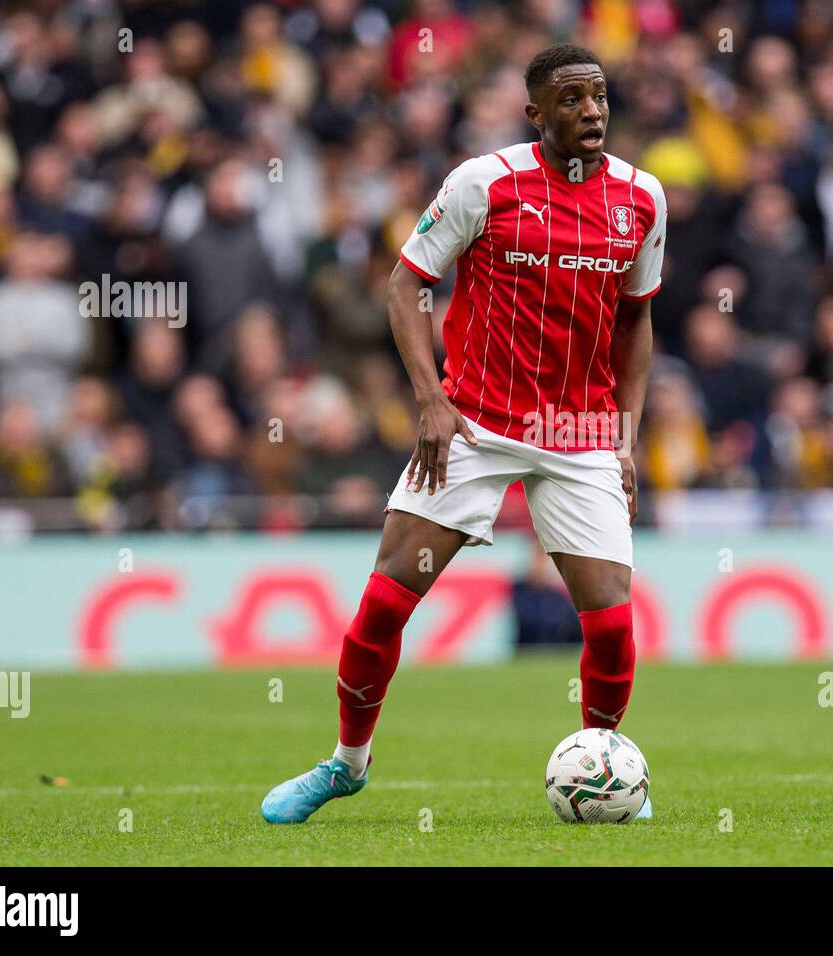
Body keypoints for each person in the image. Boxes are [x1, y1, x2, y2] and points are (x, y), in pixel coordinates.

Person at [261, 43, 666, 823]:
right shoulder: (483, 182)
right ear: (536, 112)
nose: (592, 112)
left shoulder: (642, 198)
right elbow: (407, 282)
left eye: (601, 97)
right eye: (573, 99)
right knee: (384, 601)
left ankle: (604, 770)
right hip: (474, 422)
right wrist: (430, 401)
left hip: (580, 433)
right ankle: (346, 764)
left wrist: (626, 434)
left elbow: (638, 318)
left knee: (611, 625)